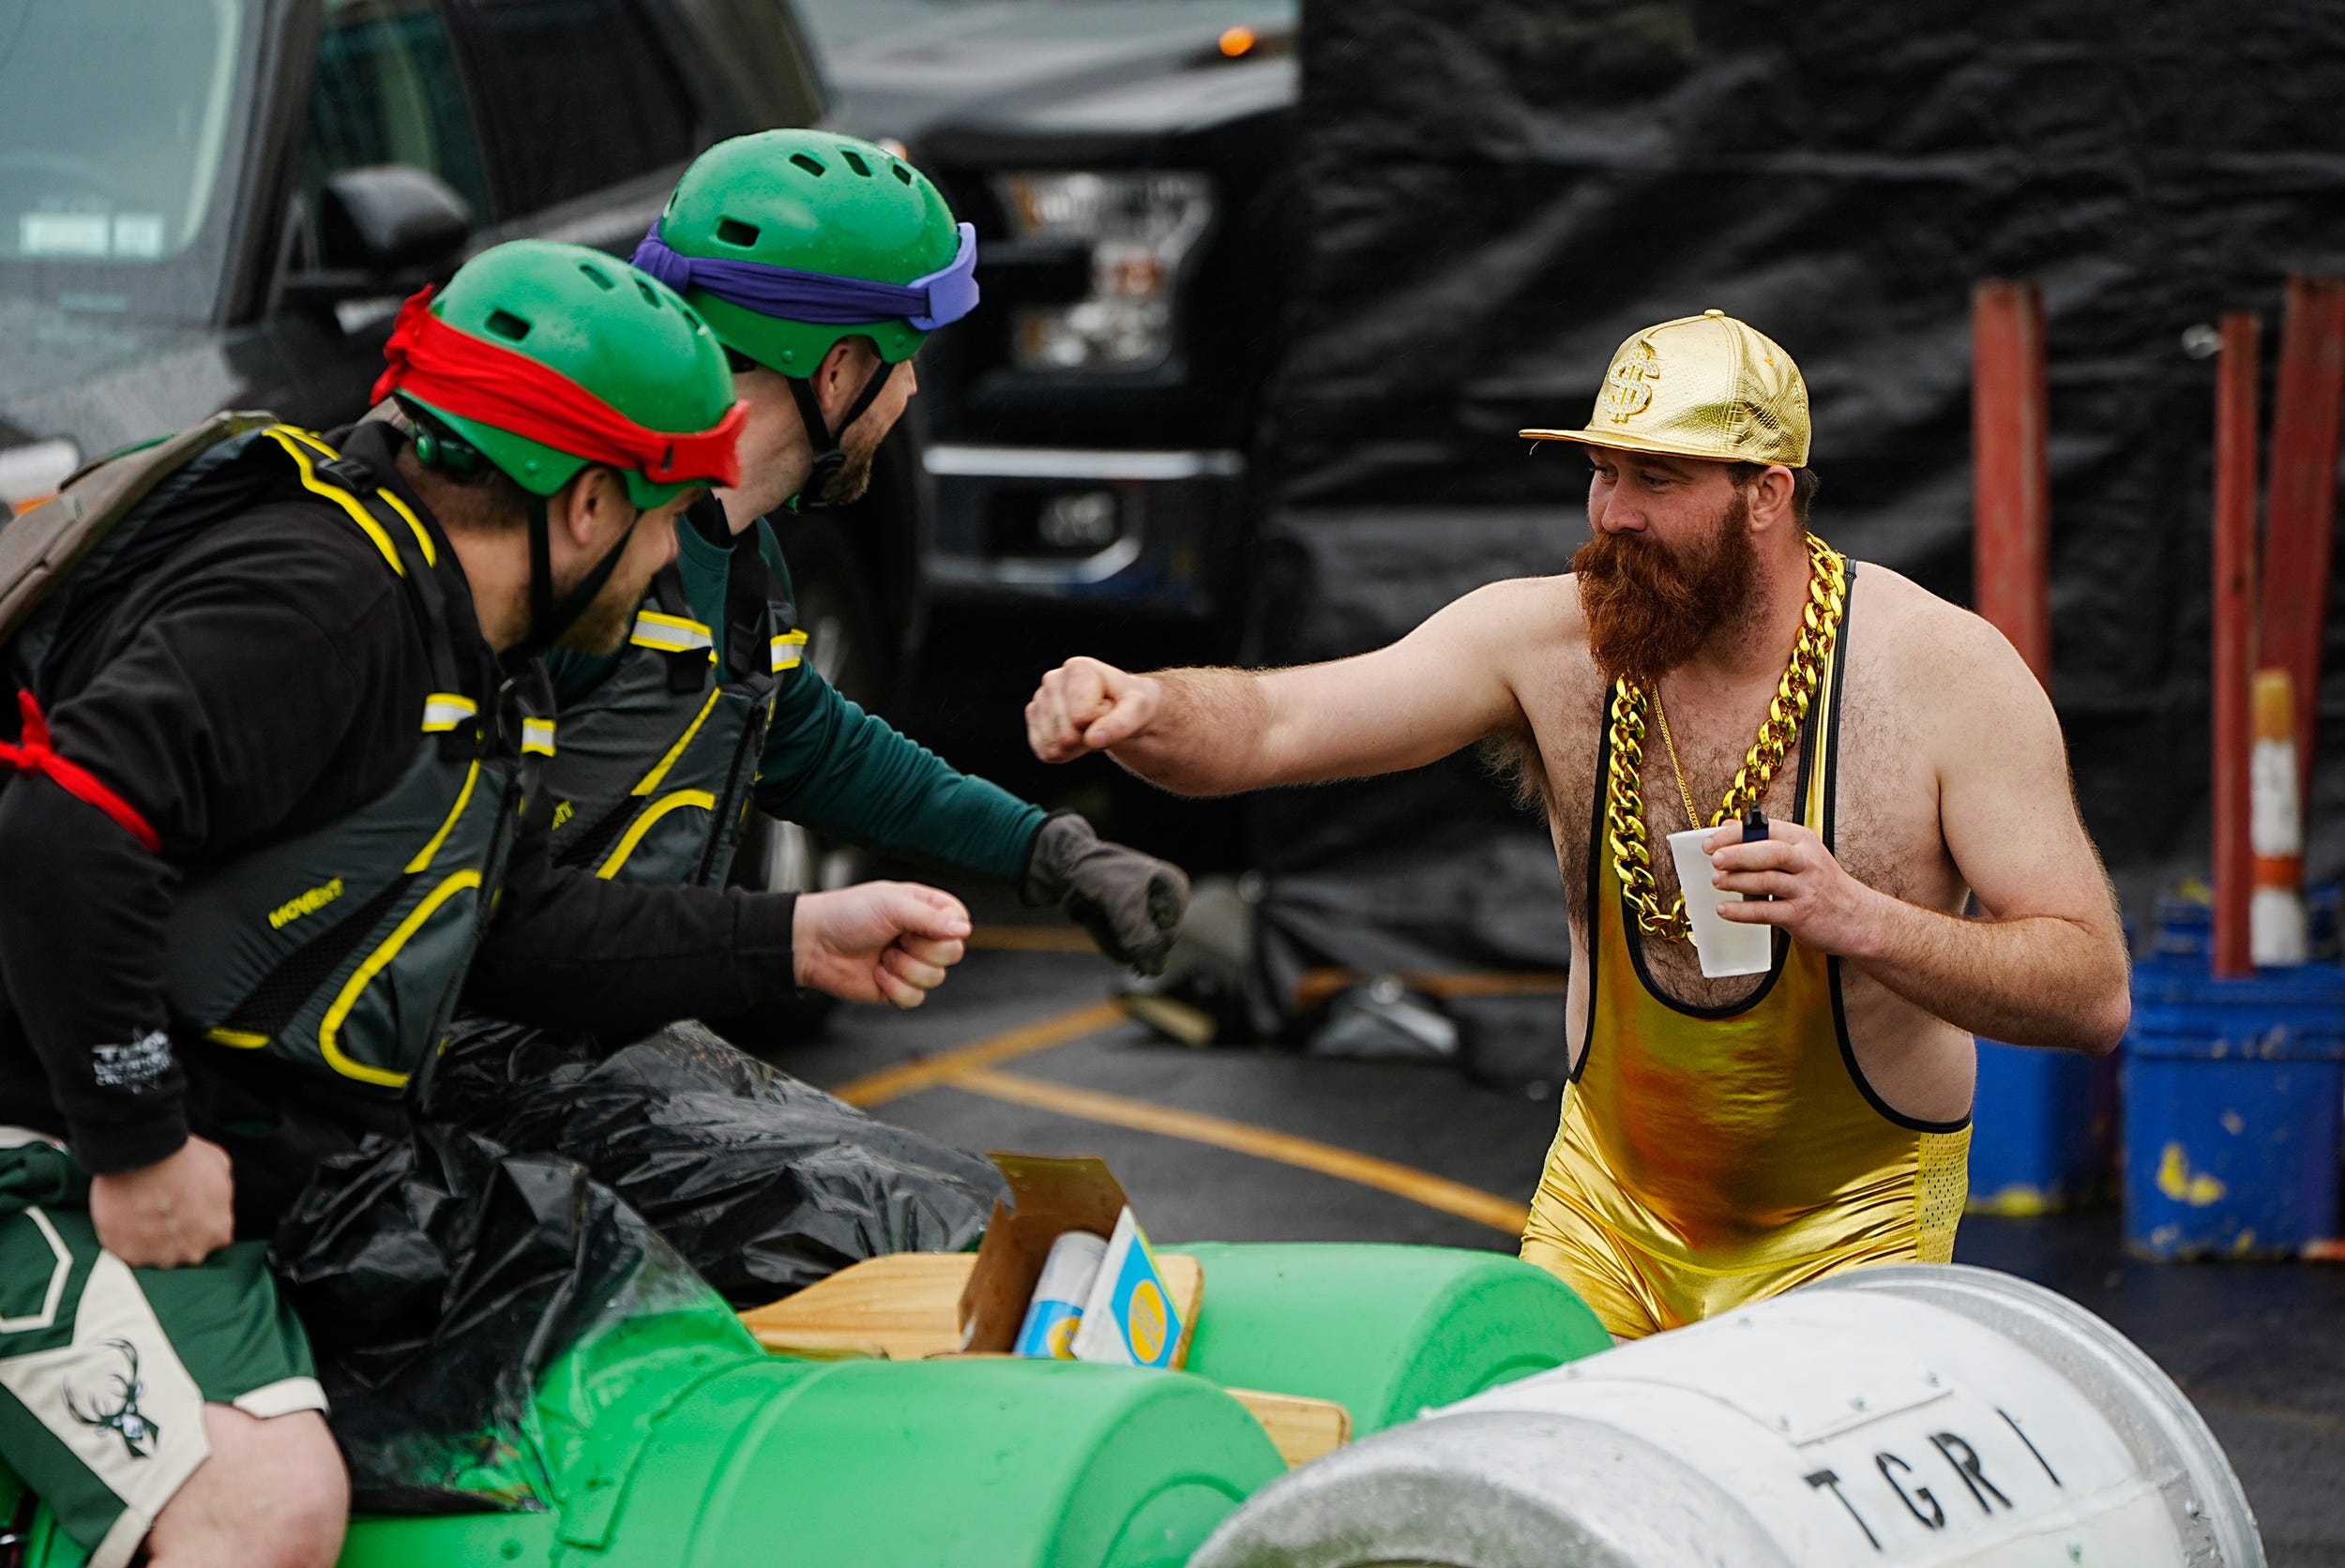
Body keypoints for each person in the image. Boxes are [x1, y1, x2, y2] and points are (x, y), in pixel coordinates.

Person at [0, 240, 969, 1568]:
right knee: (268, 1508)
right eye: (662, 514)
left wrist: (794, 939)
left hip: (220, 1127)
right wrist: (138, 1144)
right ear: (586, 504)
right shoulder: (321, 607)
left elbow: (512, 924)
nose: (667, 560)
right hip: (44, 1132)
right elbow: (63, 830)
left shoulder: (466, 630)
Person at [1021, 310, 2131, 1339]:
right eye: (1602, 471)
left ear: (1765, 494)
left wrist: (1863, 919)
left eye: (1657, 478)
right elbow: (1274, 724)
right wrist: (1146, 704)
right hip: (1606, 1216)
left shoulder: (1938, 672)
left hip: (1852, 1226)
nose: (1612, 514)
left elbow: (2090, 993)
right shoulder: (1554, 643)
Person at [543, 128, 1187, 959]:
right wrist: (784, 942)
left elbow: (819, 750)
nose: (911, 387)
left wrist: (1048, 851)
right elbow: (482, 900)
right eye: (904, 356)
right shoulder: (576, 555)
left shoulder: (733, 551)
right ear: (838, 370)